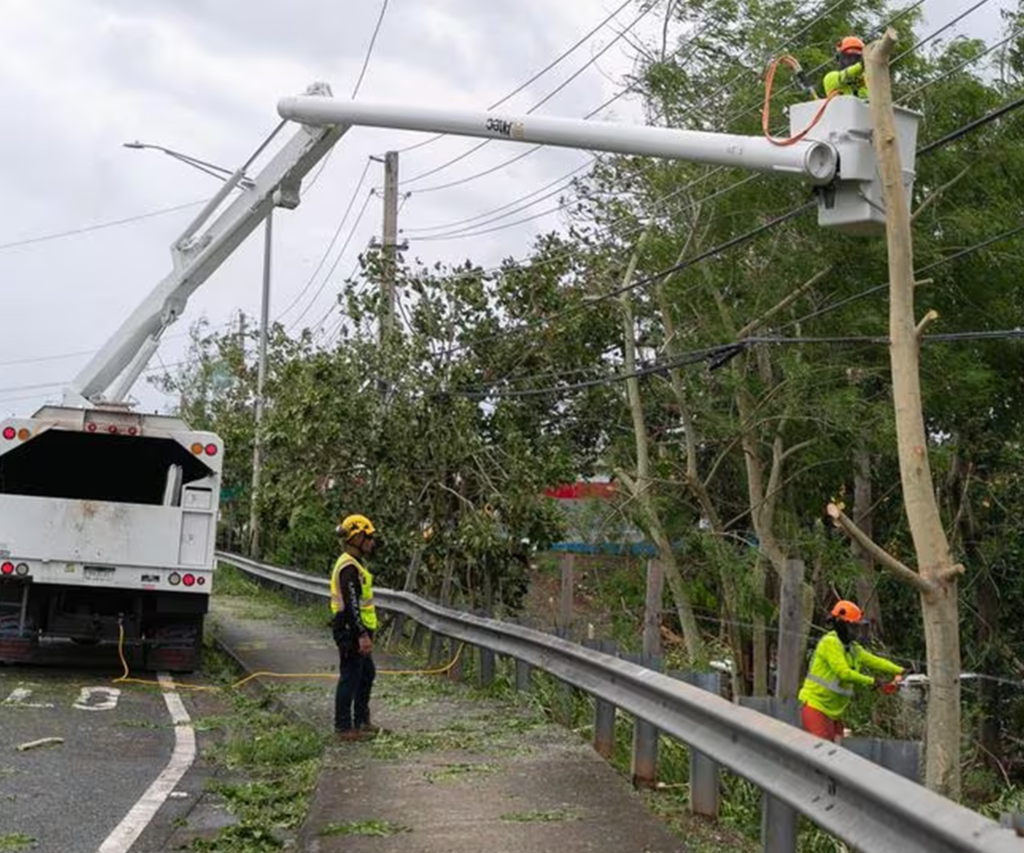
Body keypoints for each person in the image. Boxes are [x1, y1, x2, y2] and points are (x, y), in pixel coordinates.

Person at [798, 599, 903, 742]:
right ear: (841, 625)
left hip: (834, 712)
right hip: (816, 706)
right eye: (854, 627)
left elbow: (875, 661)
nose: (857, 632)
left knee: (837, 751)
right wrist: (874, 682)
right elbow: (844, 673)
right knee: (823, 752)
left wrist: (900, 670)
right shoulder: (830, 643)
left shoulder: (852, 648)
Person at [330, 513, 380, 741]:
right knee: (350, 676)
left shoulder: (356, 564)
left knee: (366, 673)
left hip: (357, 628)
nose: (372, 542)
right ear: (357, 537)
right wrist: (361, 634)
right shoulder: (349, 568)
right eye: (368, 537)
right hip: (350, 629)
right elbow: (351, 605)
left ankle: (361, 721)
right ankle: (343, 727)